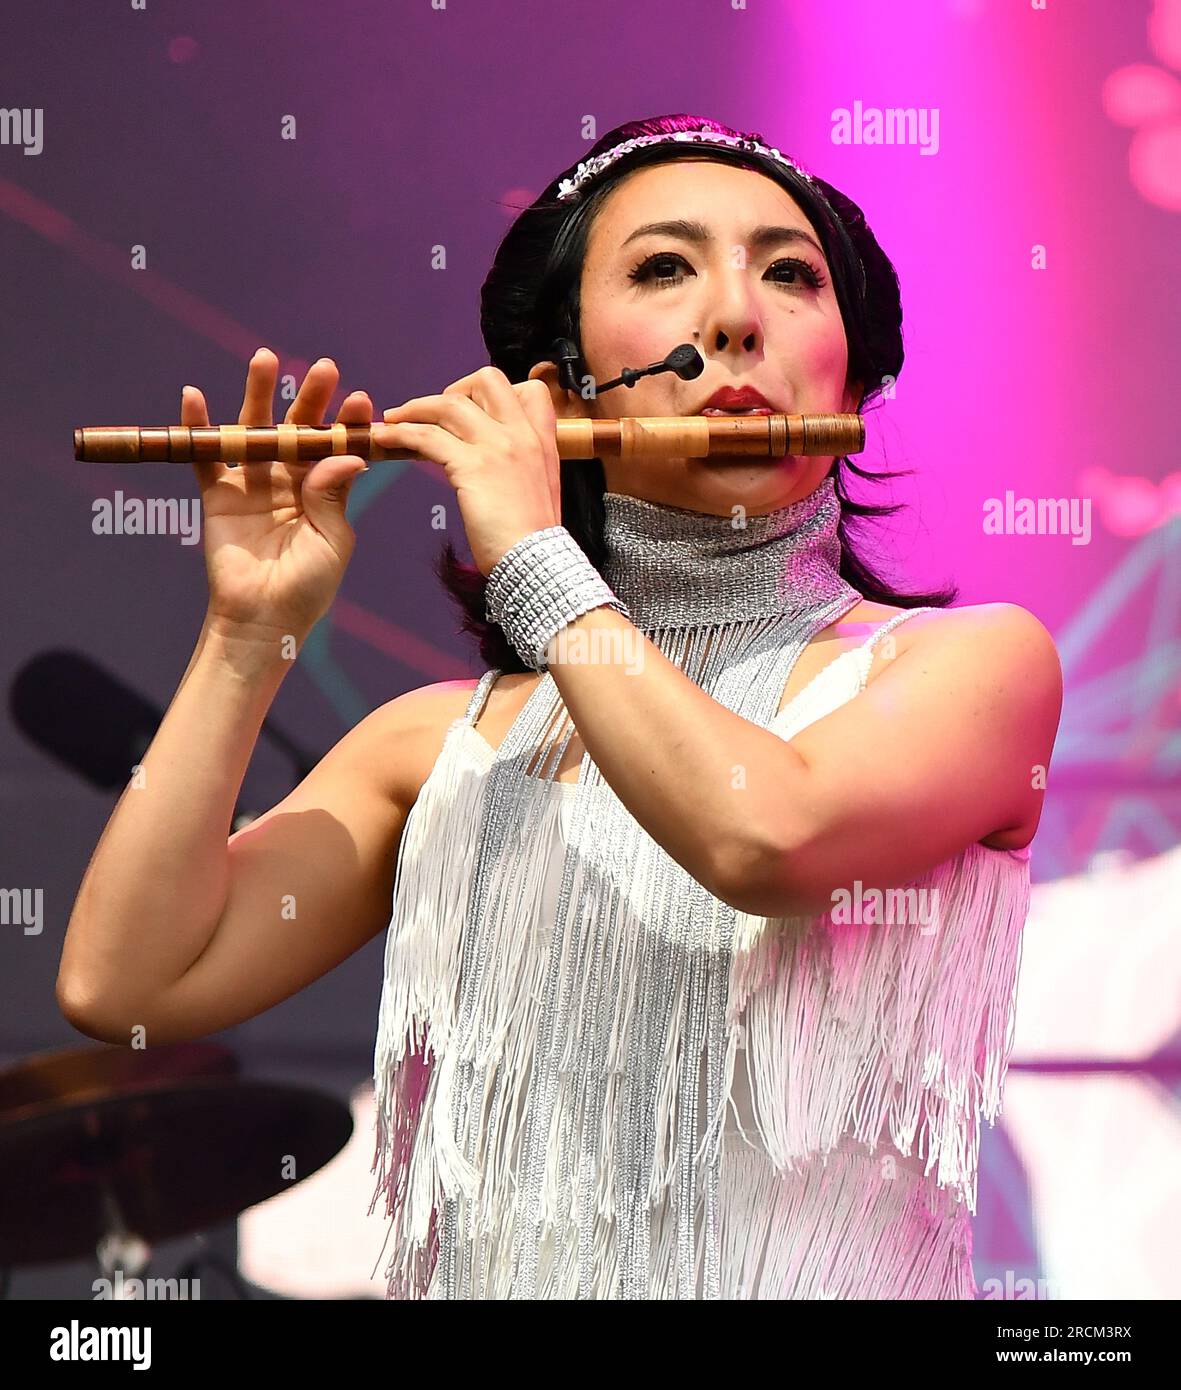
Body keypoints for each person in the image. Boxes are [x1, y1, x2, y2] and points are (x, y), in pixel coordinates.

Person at [58, 113, 1063, 1300]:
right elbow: (126, 988)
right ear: (558, 382)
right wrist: (246, 632)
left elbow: (762, 835)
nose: (737, 316)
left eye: (789, 275)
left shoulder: (968, 667)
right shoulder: (436, 742)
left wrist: (534, 553)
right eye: (663, 268)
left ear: (850, 360)